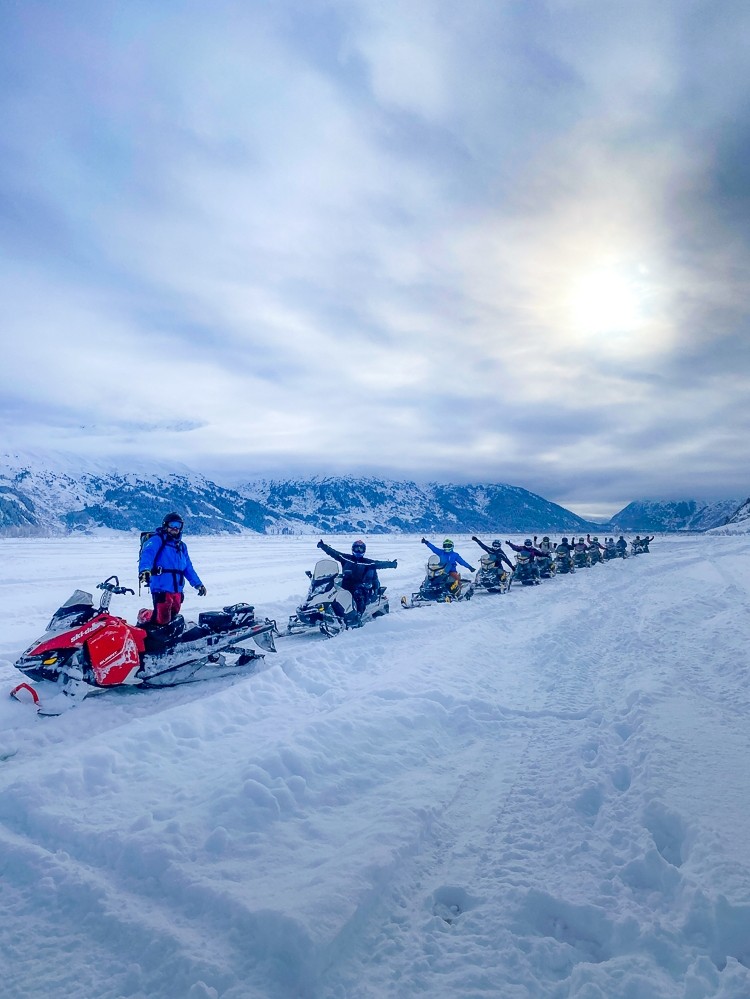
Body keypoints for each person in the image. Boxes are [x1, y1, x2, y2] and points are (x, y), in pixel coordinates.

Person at [138, 512, 207, 625]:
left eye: (178, 525)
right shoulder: (157, 540)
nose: (175, 528)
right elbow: (147, 555)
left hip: (177, 588)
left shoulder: (181, 546)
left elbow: (188, 568)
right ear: (165, 525)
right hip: (161, 586)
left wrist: (198, 584)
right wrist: (145, 570)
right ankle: (144, 616)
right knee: (162, 620)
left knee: (173, 615)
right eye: (173, 524)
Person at [317, 539, 397, 614]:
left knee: (358, 595)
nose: (358, 551)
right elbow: (334, 553)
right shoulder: (346, 558)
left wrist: (391, 564)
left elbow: (380, 564)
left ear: (364, 550)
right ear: (352, 549)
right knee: (331, 591)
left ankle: (358, 615)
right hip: (346, 584)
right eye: (356, 548)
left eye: (361, 549)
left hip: (362, 586)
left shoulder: (368, 562)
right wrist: (323, 546)